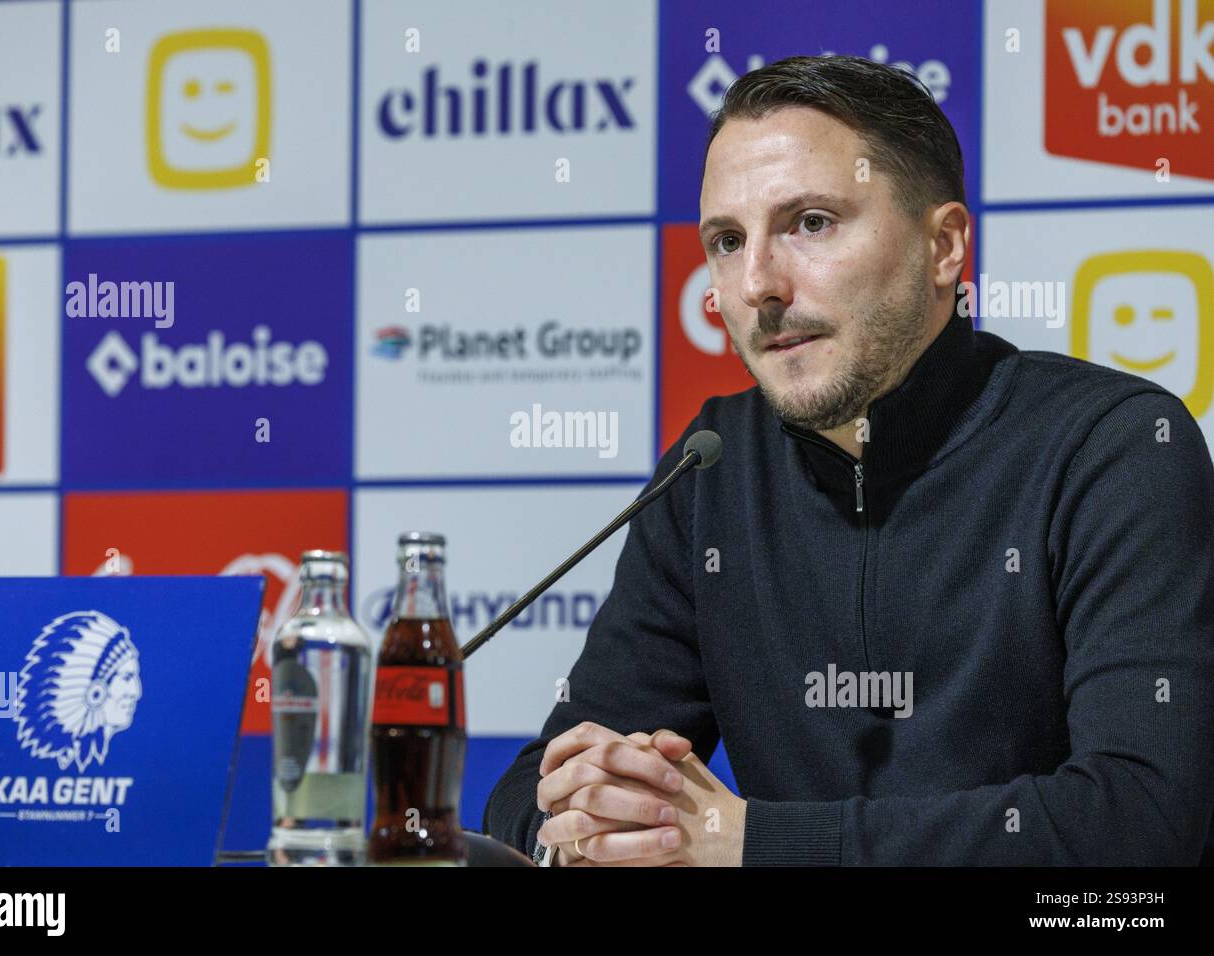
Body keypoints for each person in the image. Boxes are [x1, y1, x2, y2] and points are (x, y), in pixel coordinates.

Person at [482, 54, 1214, 866]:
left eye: (811, 223)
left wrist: (755, 845)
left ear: (943, 247)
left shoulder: (1113, 448)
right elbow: (534, 786)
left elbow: (1142, 824)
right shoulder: (711, 469)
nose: (757, 282)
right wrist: (581, 824)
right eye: (727, 240)